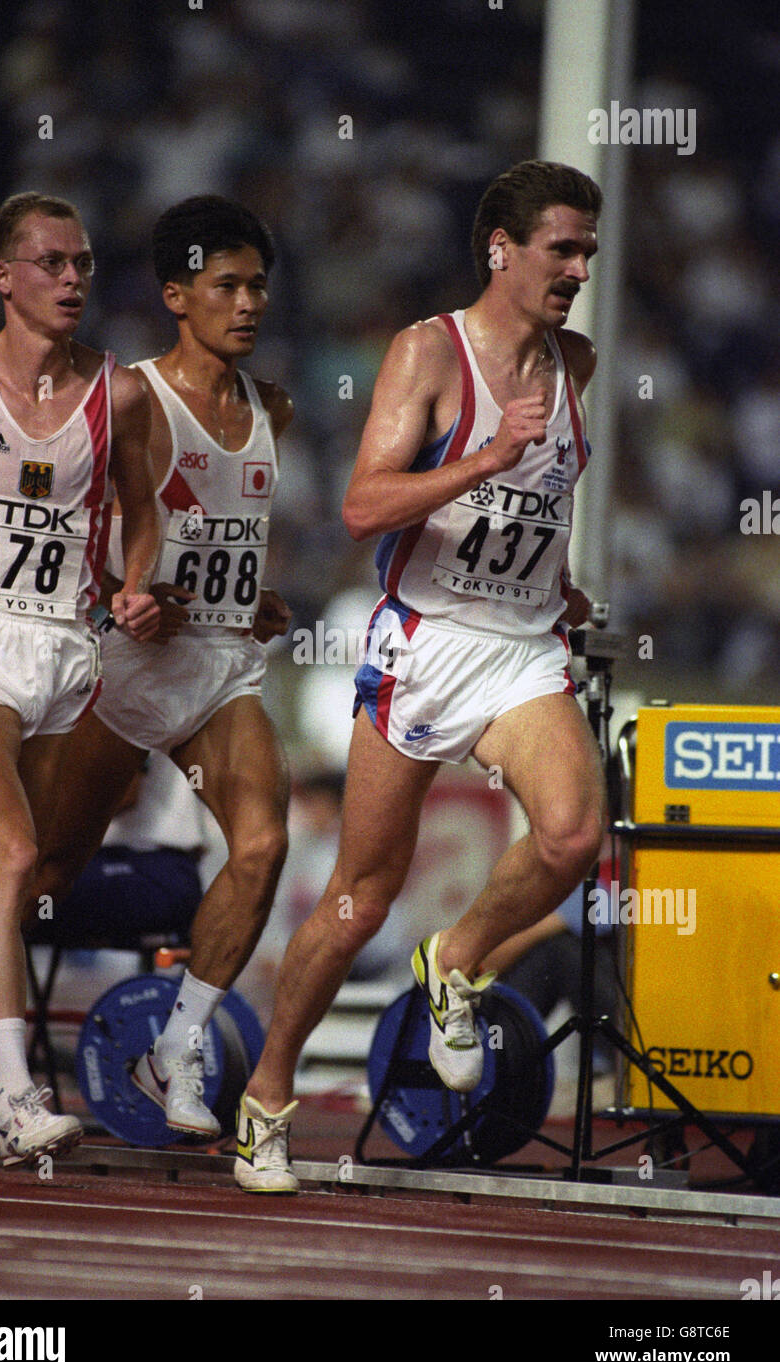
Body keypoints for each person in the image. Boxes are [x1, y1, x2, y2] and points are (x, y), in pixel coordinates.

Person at [233, 160, 608, 1193]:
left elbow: (547, 496)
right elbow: (362, 508)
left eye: (586, 249)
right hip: (423, 640)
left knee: (574, 835)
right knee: (359, 895)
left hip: (520, 642)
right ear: (500, 247)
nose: (578, 267)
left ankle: (453, 961)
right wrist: (483, 458)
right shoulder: (427, 352)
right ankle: (266, 1097)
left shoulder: (574, 362)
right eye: (560, 248)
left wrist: (558, 578)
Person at [0, 195, 293, 1144]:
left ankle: (180, 1044)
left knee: (262, 846)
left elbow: (189, 530)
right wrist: (137, 592)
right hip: (107, 667)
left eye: (259, 286)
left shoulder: (262, 407)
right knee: (34, 871)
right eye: (228, 285)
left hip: (198, 664)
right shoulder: (132, 392)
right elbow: (136, 522)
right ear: (177, 295)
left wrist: (244, 597)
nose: (249, 303)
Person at [0, 191, 161, 1165]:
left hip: (64, 645)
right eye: (51, 263)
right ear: (2, 276)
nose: (72, 280)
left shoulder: (121, 393)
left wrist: (139, 579)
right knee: (10, 855)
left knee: (24, 871)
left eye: (84, 263)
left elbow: (142, 507)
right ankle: (22, 1099)